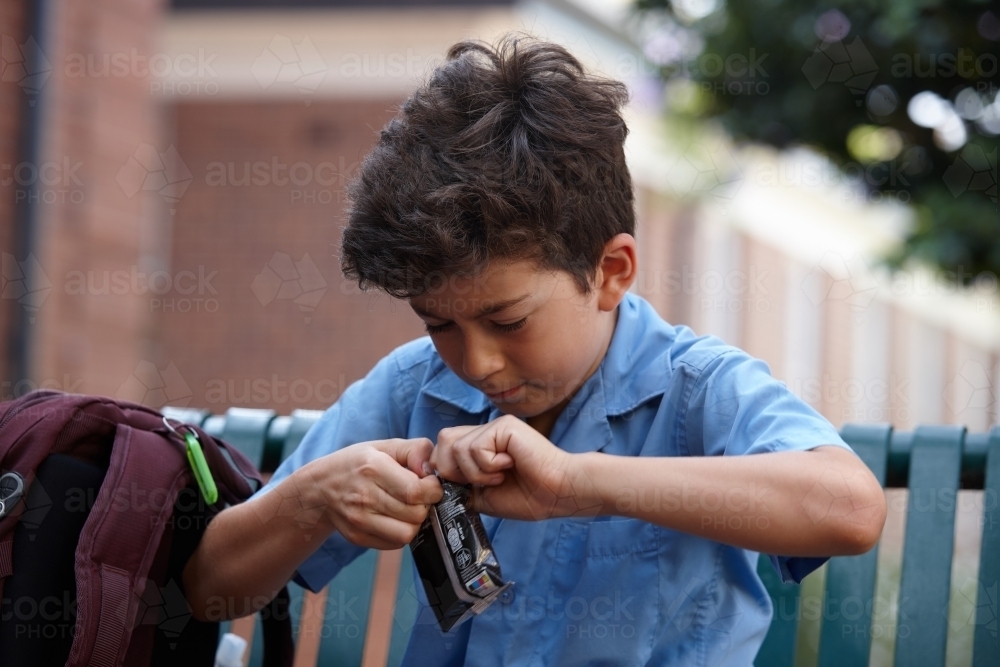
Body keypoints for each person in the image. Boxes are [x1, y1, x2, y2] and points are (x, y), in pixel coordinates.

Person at [183, 35, 887, 666]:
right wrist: (310, 497)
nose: (478, 361)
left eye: (510, 319)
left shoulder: (697, 388)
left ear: (610, 271)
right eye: (439, 324)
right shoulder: (414, 388)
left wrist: (578, 484)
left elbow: (850, 509)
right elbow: (211, 590)